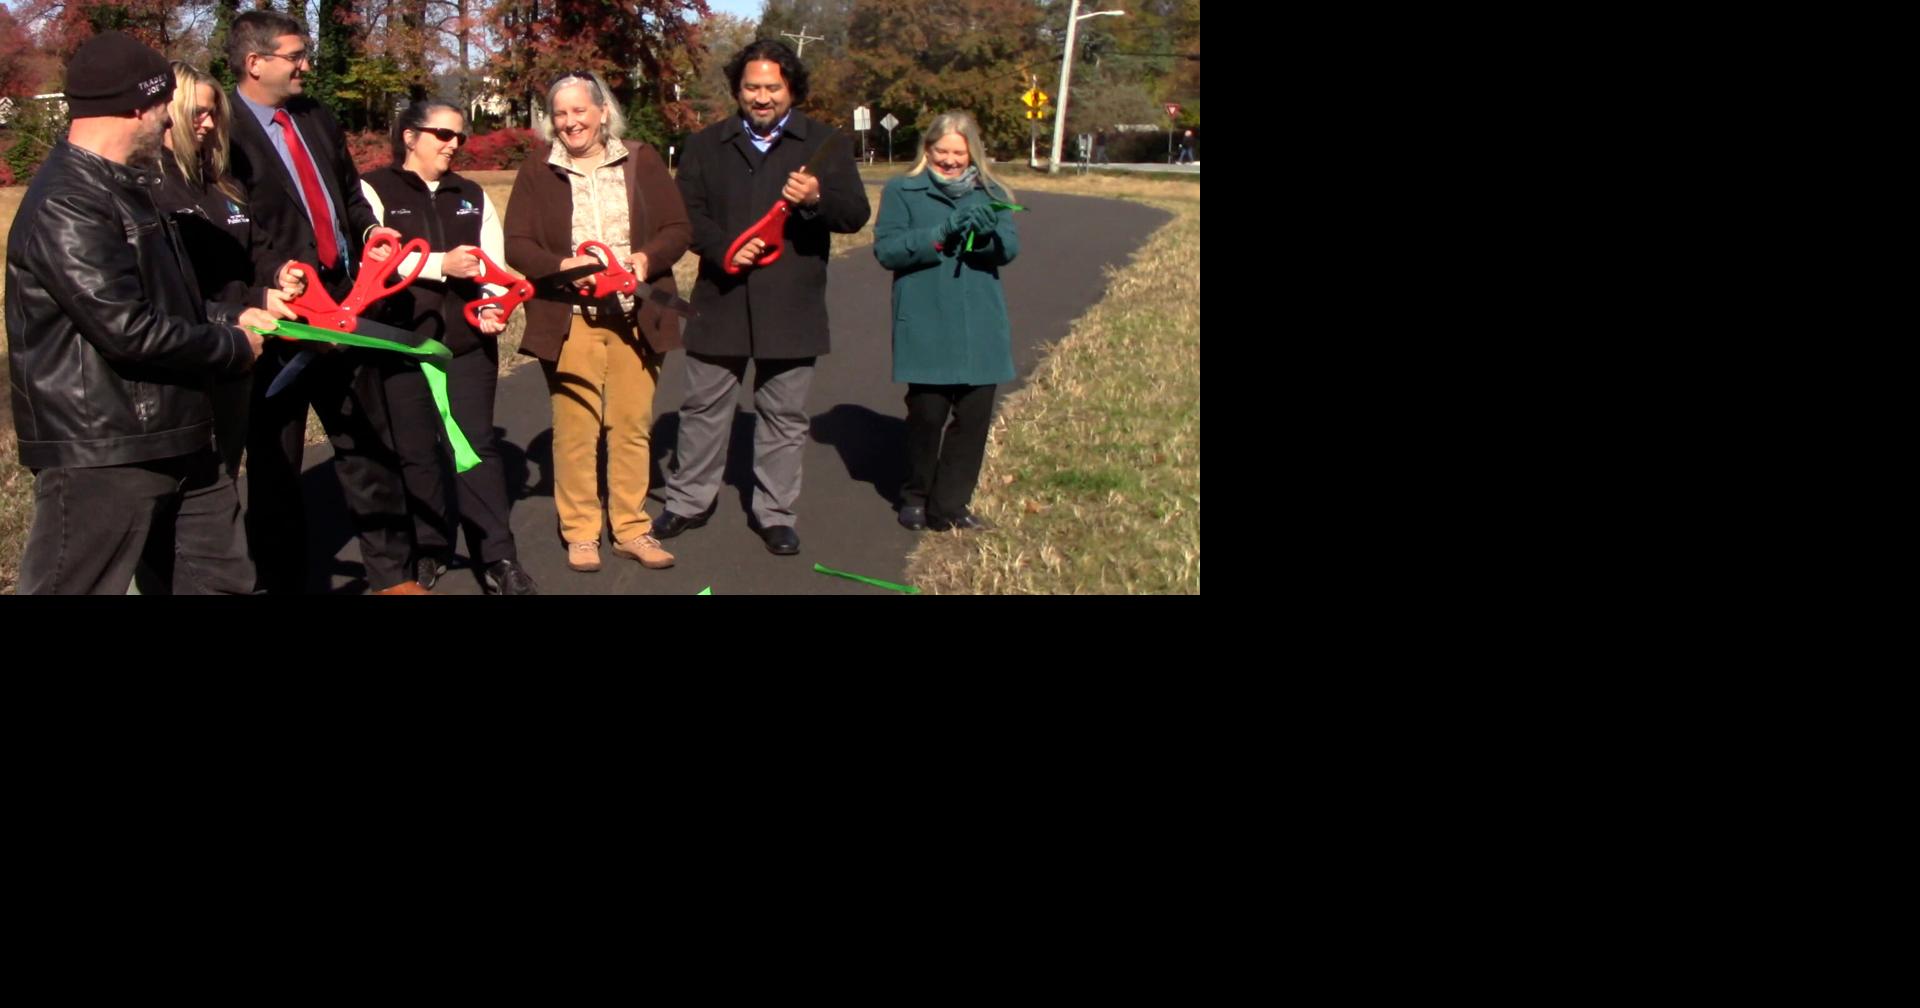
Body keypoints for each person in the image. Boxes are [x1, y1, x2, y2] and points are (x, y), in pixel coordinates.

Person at [5, 31, 279, 594]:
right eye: (163, 108)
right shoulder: (68, 202)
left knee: (221, 583)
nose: (170, 122)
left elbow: (165, 303)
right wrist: (230, 348)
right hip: (104, 452)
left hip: (182, 437)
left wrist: (232, 318)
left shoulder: (129, 188)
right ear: (137, 106)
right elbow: (125, 329)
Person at [223, 9, 424, 594]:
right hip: (281, 319)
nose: (307, 65)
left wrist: (369, 234)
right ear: (255, 62)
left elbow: (346, 196)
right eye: (295, 55)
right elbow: (235, 231)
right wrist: (273, 282)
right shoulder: (225, 132)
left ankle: (393, 575)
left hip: (347, 307)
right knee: (274, 463)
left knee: (367, 444)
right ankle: (284, 582)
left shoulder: (314, 116)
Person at [655, 39, 870, 556]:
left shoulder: (824, 144)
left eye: (773, 86)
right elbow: (687, 218)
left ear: (791, 88)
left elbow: (854, 215)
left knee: (783, 415)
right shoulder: (707, 144)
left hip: (791, 303)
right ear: (737, 90)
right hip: (721, 296)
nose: (762, 96)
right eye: (752, 86)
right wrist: (726, 247)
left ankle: (774, 513)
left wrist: (817, 198)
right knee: (704, 407)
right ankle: (688, 501)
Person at [503, 70, 691, 574]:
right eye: (560, 114)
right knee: (575, 429)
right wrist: (559, 267)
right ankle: (582, 532)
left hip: (636, 315)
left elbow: (678, 227)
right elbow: (516, 244)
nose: (570, 122)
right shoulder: (536, 169)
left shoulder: (641, 159)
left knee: (631, 425)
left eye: (580, 110)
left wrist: (646, 261)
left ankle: (631, 528)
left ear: (602, 111)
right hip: (571, 320)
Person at [362, 100, 536, 595]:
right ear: (410, 136)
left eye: (459, 135)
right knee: (415, 453)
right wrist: (441, 265)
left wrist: (491, 305)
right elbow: (378, 263)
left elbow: (491, 266)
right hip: (402, 344)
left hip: (464, 348)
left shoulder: (472, 194)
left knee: (474, 449)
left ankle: (498, 558)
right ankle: (431, 549)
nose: (452, 144)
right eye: (441, 134)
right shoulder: (374, 191)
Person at [153, 59, 305, 479]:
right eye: (196, 112)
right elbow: (179, 285)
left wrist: (279, 273)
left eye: (214, 111)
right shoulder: (150, 189)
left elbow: (258, 248)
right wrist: (255, 298)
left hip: (244, 346)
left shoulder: (226, 185)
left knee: (226, 472)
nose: (207, 122)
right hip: (193, 351)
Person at [871, 111, 1019, 534]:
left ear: (972, 152)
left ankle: (950, 505)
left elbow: (1008, 249)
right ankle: (915, 496)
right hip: (925, 318)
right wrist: (942, 232)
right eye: (942, 152)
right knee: (927, 414)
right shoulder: (902, 190)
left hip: (980, 323)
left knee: (972, 420)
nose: (950, 161)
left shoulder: (991, 191)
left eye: (959, 152)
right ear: (927, 149)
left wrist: (986, 235)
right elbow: (888, 251)